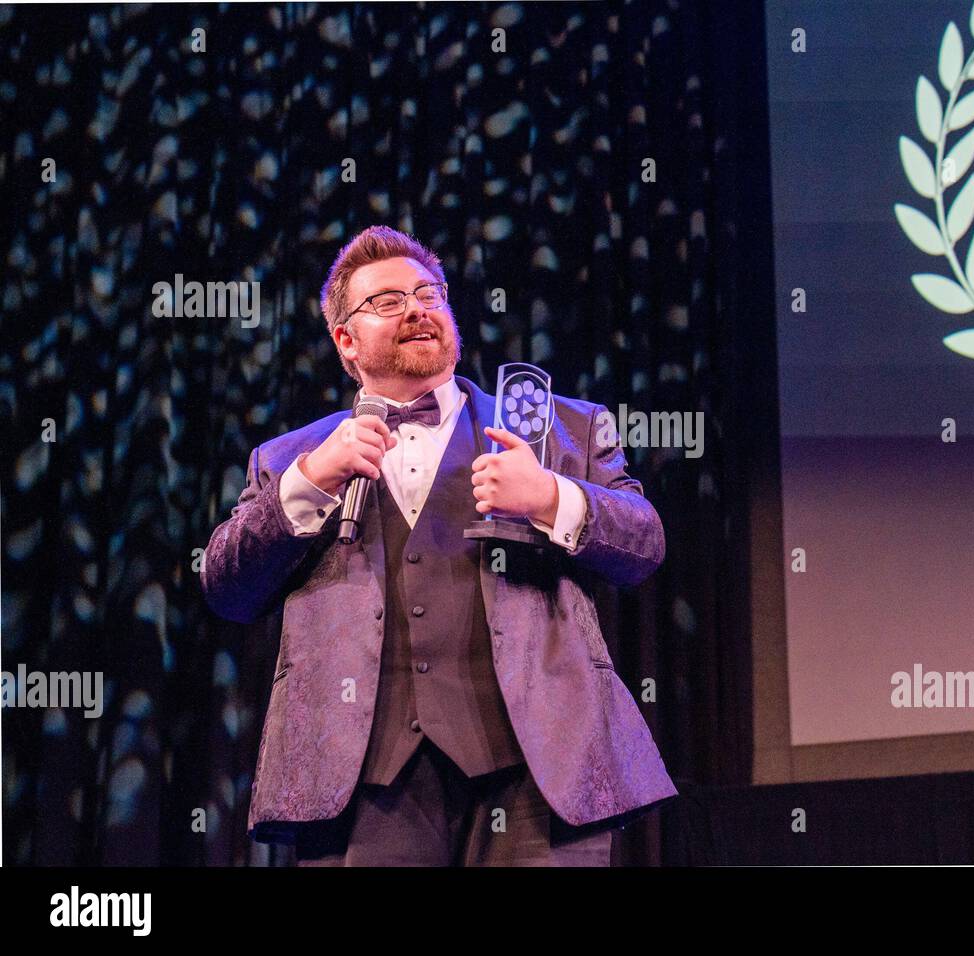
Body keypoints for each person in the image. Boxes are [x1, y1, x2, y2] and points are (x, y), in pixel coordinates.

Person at [200, 225, 676, 866]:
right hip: (364, 788)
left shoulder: (559, 428)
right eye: (389, 301)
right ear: (345, 340)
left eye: (430, 294)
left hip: (540, 774)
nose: (418, 310)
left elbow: (644, 542)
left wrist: (550, 497)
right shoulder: (288, 459)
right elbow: (227, 588)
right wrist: (309, 484)